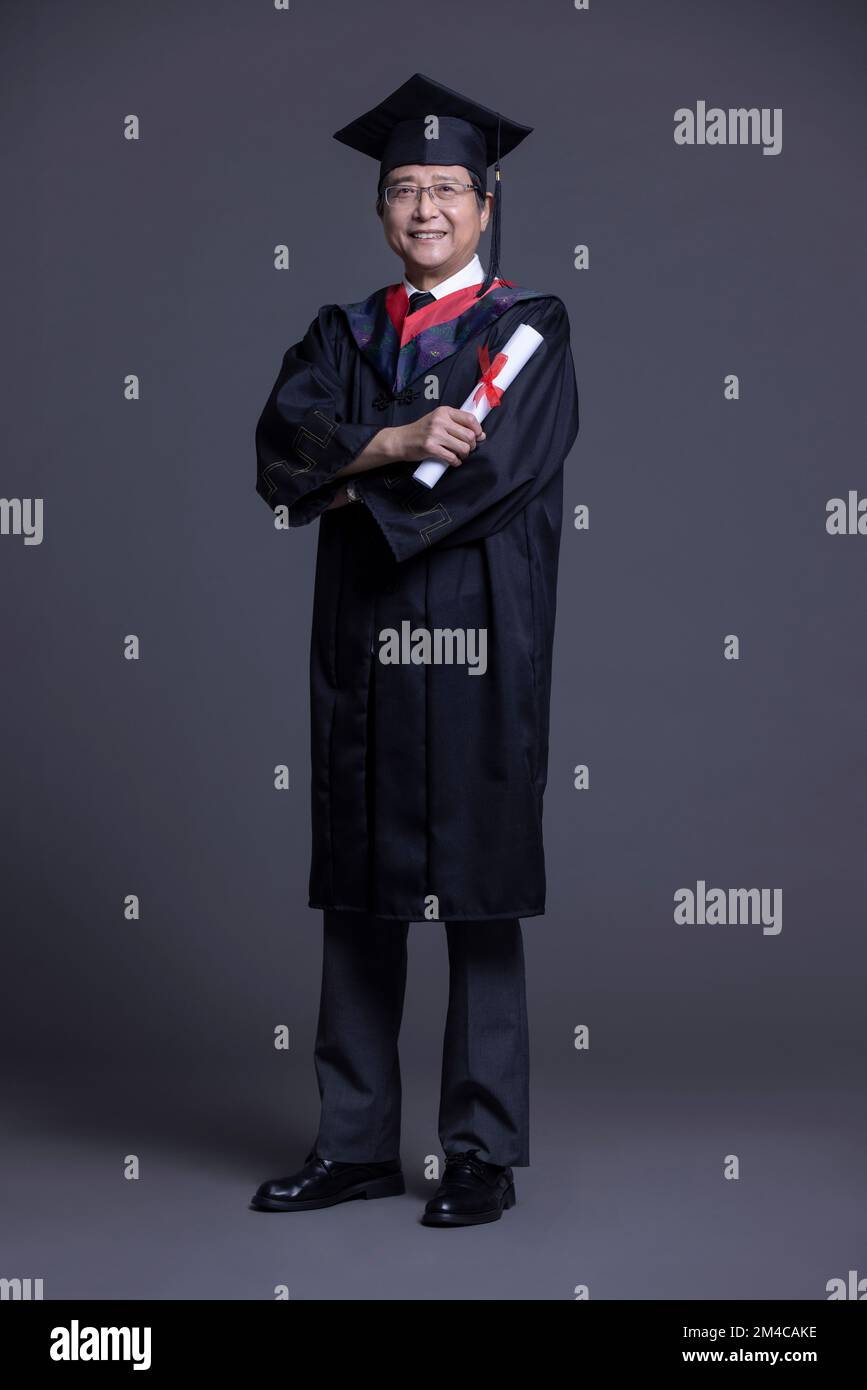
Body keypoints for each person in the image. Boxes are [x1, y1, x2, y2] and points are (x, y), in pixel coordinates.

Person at [249, 72, 579, 1227]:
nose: (425, 207)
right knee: (362, 893)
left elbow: (489, 476)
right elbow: (284, 445)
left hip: (482, 649)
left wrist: (355, 484)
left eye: (448, 188)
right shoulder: (342, 335)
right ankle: (354, 1144)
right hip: (363, 653)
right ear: (381, 210)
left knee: (478, 893)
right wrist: (387, 437)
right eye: (404, 189)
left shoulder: (528, 333)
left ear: (487, 204)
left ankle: (480, 1148)